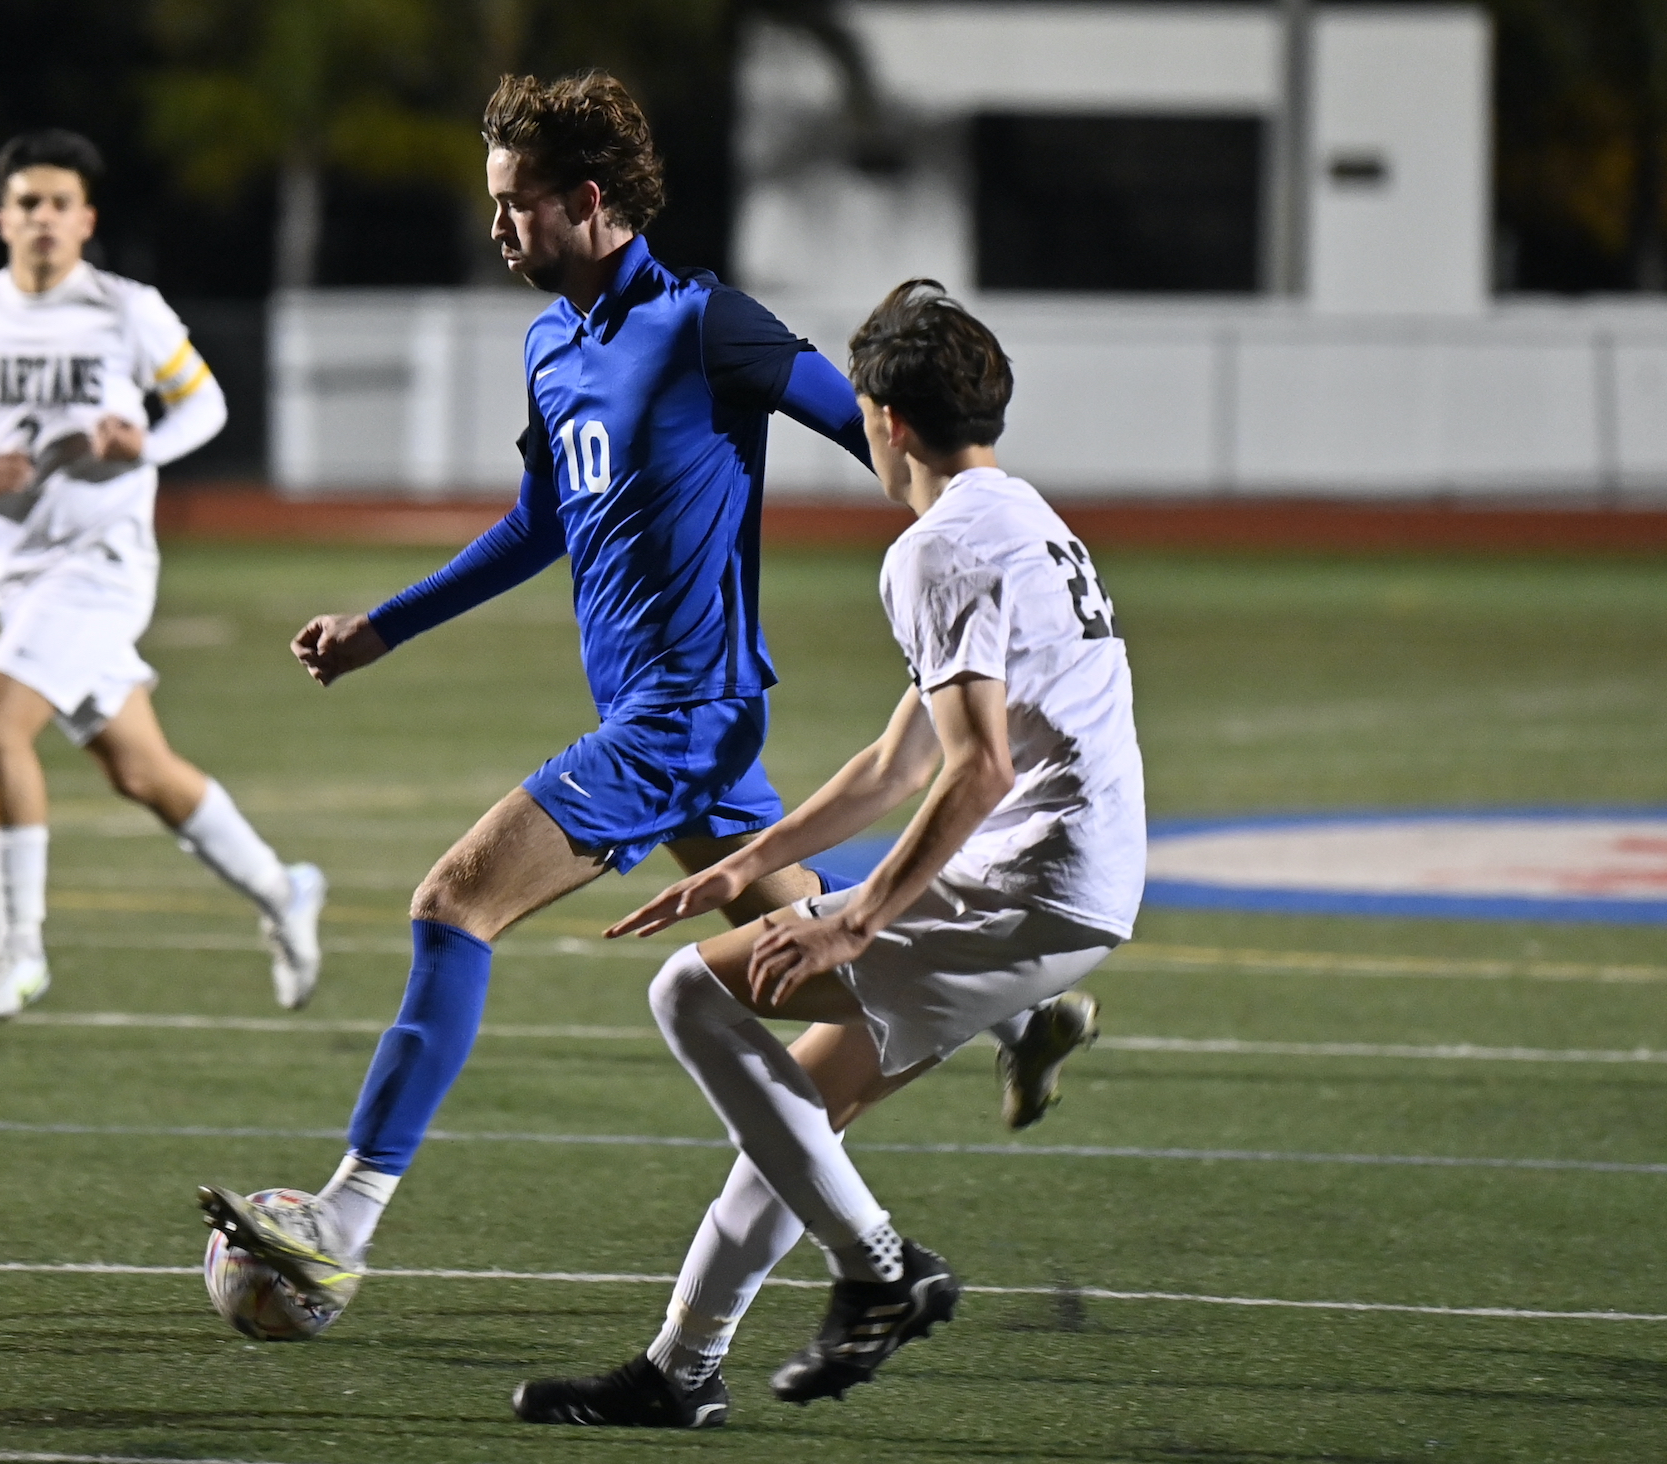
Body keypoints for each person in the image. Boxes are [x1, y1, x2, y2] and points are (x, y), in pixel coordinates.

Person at [195, 71, 880, 1316]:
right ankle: (1012, 1001)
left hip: (682, 715)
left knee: (453, 903)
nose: (497, 227)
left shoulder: (705, 323)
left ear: (589, 199)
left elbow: (870, 429)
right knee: (833, 961)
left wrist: (968, 540)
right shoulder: (551, 341)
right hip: (682, 732)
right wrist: (381, 630)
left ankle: (341, 1218)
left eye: (515, 205)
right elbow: (538, 523)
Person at [511, 279, 1145, 1429]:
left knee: (689, 998)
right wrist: (746, 859)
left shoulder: (936, 549)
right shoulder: (1021, 517)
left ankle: (881, 1269)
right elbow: (899, 758)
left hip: (1030, 885)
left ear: (885, 421)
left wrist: (850, 917)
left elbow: (977, 771)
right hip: (1071, 889)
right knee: (795, 1112)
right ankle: (680, 1371)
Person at [0, 129, 325, 1022]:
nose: (45, 219)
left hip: (101, 569)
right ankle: (283, 890)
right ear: (2, 219)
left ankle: (19, 952)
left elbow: (204, 403)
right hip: (16, 576)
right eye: (28, 203)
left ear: (86, 219)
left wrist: (148, 444)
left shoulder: (124, 308)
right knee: (143, 772)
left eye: (61, 204)